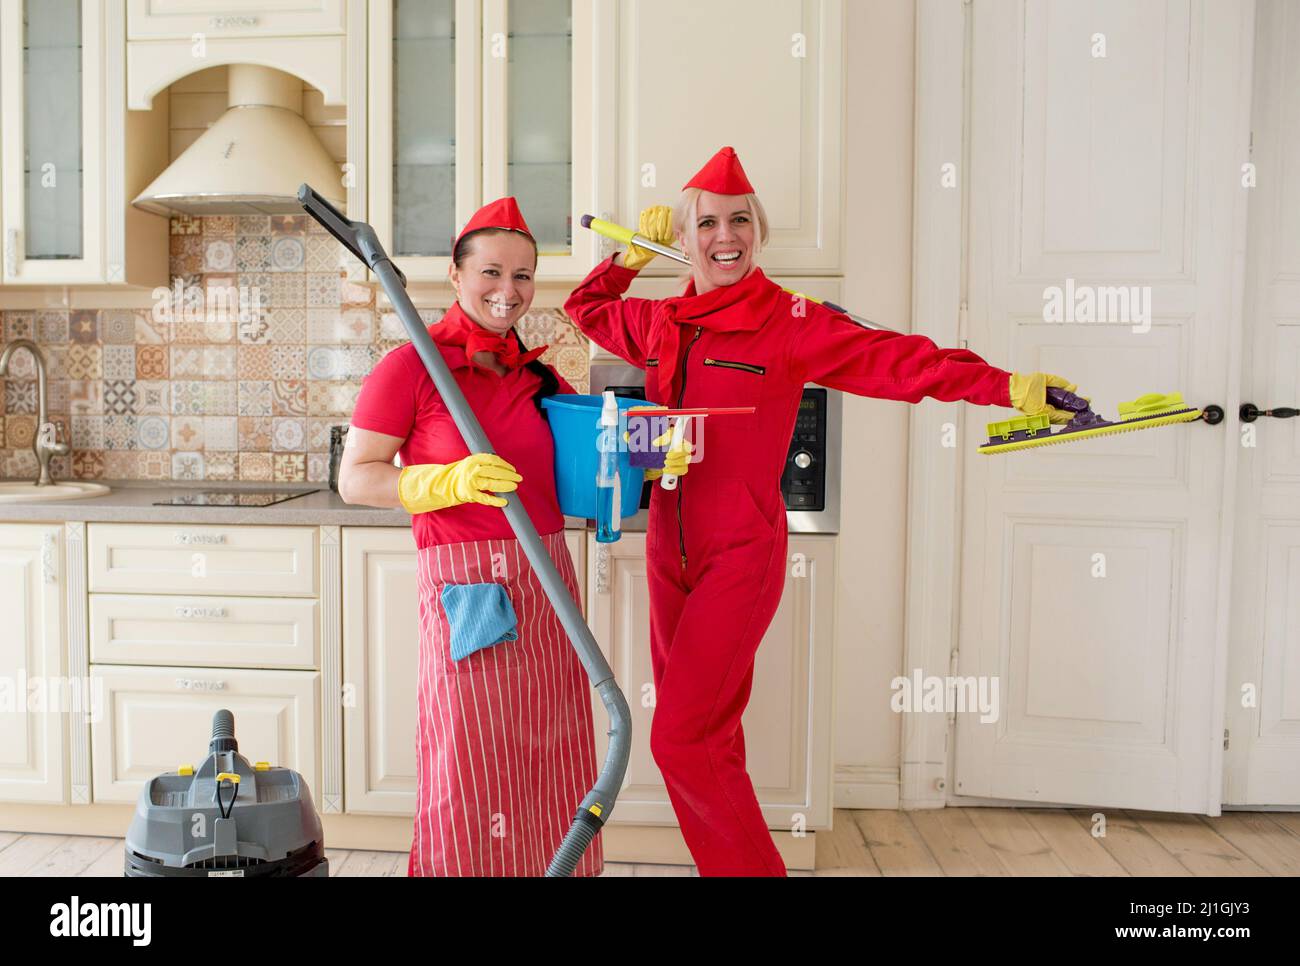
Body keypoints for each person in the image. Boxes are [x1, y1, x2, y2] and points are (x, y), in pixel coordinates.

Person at [563, 146, 1083, 876]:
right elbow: (585, 310)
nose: (725, 235)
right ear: (681, 239)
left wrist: (1007, 386)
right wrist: (620, 259)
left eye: (739, 219)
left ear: (759, 232)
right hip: (666, 552)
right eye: (706, 222)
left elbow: (904, 360)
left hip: (740, 552)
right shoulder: (661, 321)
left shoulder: (791, 321)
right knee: (708, 736)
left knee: (680, 738)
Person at [340, 197, 603, 877]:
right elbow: (355, 478)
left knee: (552, 751)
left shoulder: (542, 379)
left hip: (548, 583)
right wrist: (439, 484)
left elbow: (574, 480)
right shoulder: (411, 369)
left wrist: (637, 466)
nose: (507, 291)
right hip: (472, 589)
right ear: (456, 277)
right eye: (491, 272)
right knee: (470, 759)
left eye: (522, 276)